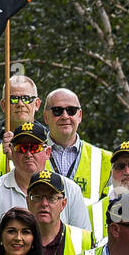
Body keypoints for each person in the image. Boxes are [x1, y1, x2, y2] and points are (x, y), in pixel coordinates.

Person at [0, 121, 88, 233]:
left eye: (34, 148)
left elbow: (82, 242)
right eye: (21, 148)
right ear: (12, 152)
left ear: (48, 152)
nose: (28, 154)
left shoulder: (70, 190)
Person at [41, 87, 110, 223]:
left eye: (71, 111)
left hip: (88, 242)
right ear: (45, 117)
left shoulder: (105, 159)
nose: (65, 116)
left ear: (80, 115)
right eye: (57, 111)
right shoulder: (30, 155)